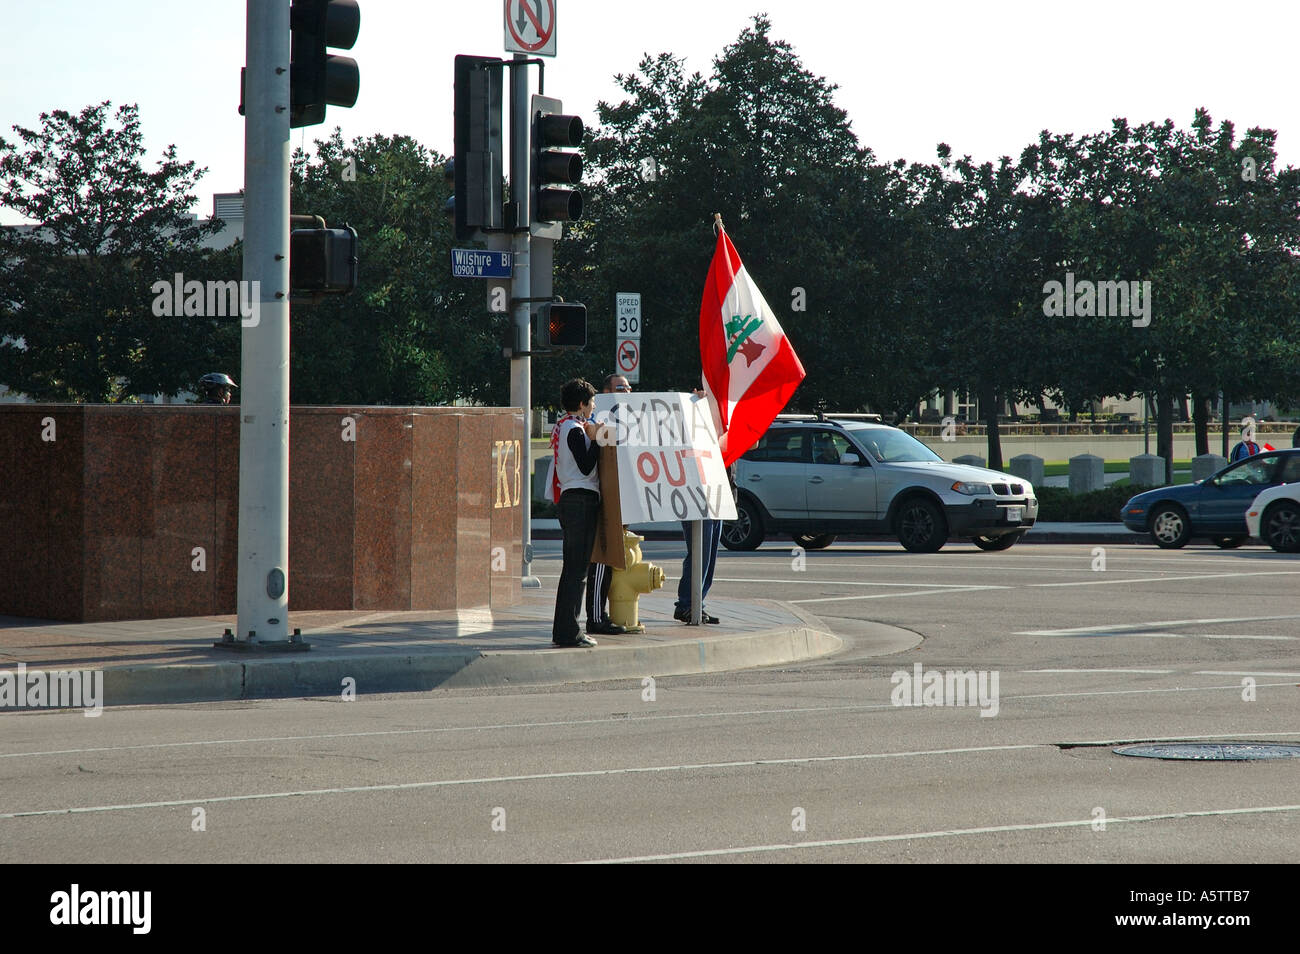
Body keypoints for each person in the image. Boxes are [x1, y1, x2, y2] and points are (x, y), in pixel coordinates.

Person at [550, 378, 605, 648]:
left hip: (572, 500)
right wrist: (596, 440)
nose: (593, 406)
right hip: (580, 501)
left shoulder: (566, 426)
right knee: (576, 570)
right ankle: (569, 632)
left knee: (572, 569)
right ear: (582, 404)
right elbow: (585, 467)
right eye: (591, 401)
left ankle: (565, 630)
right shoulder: (574, 429)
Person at [673, 387, 729, 625]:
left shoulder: (721, 420)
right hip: (697, 492)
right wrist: (698, 406)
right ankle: (687, 603)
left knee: (709, 554)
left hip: (719, 490)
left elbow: (752, 443)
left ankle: (697, 602)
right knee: (700, 552)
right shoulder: (692, 420)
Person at [584, 373, 632, 635]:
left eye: (628, 387)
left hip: (621, 498)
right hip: (604, 499)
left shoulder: (633, 419)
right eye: (621, 388)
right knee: (601, 559)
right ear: (605, 392)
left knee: (611, 558)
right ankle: (595, 617)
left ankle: (599, 614)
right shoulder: (597, 421)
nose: (627, 391)